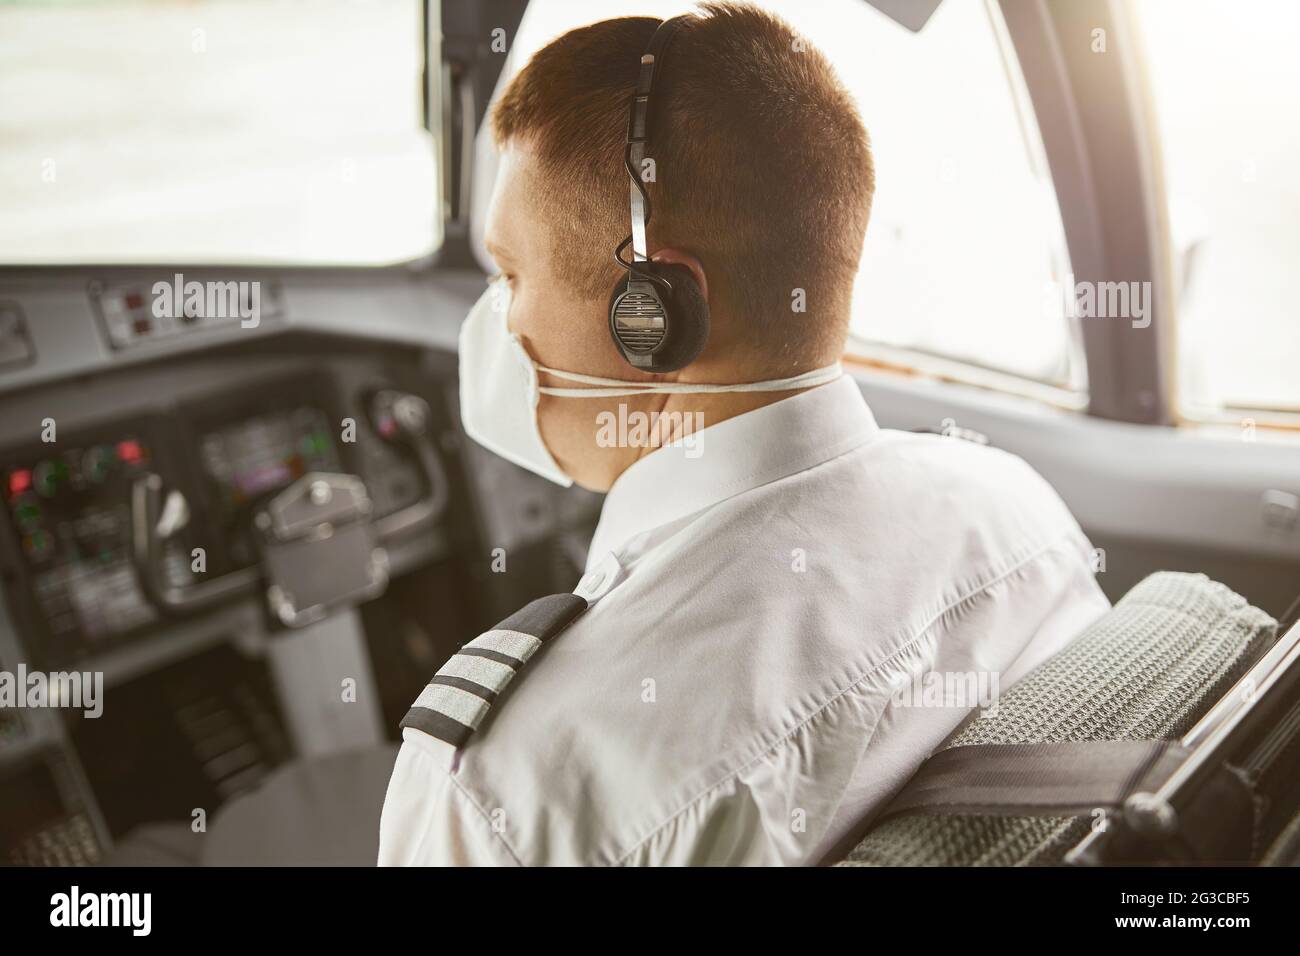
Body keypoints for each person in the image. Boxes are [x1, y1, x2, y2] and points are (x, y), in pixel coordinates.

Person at [378, 2, 1110, 866]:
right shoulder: (1017, 514)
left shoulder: (513, 787)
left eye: (510, 274)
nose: (491, 321)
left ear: (652, 315)